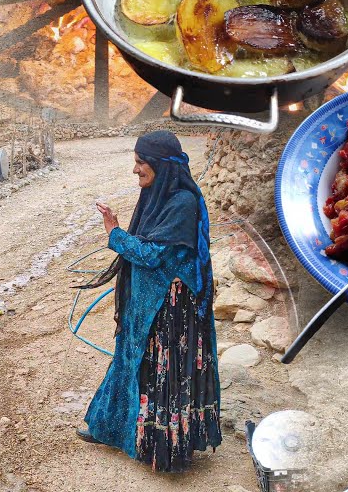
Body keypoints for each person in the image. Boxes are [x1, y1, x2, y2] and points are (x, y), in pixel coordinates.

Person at [77, 131, 222, 473]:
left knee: (160, 373)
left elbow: (154, 255)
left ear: (160, 165)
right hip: (150, 303)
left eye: (141, 163)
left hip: (170, 311)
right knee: (131, 362)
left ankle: (166, 448)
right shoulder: (157, 197)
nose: (135, 170)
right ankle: (113, 429)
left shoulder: (182, 203)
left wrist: (115, 233)